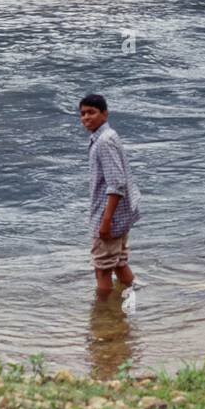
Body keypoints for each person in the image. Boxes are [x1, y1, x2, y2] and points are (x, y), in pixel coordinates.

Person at [79, 93, 141, 299]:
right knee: (120, 262)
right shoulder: (108, 136)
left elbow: (116, 184)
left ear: (104, 114)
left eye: (91, 112)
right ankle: (134, 297)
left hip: (110, 216)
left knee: (102, 269)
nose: (86, 117)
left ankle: (105, 314)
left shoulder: (104, 141)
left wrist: (106, 221)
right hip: (122, 214)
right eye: (83, 114)